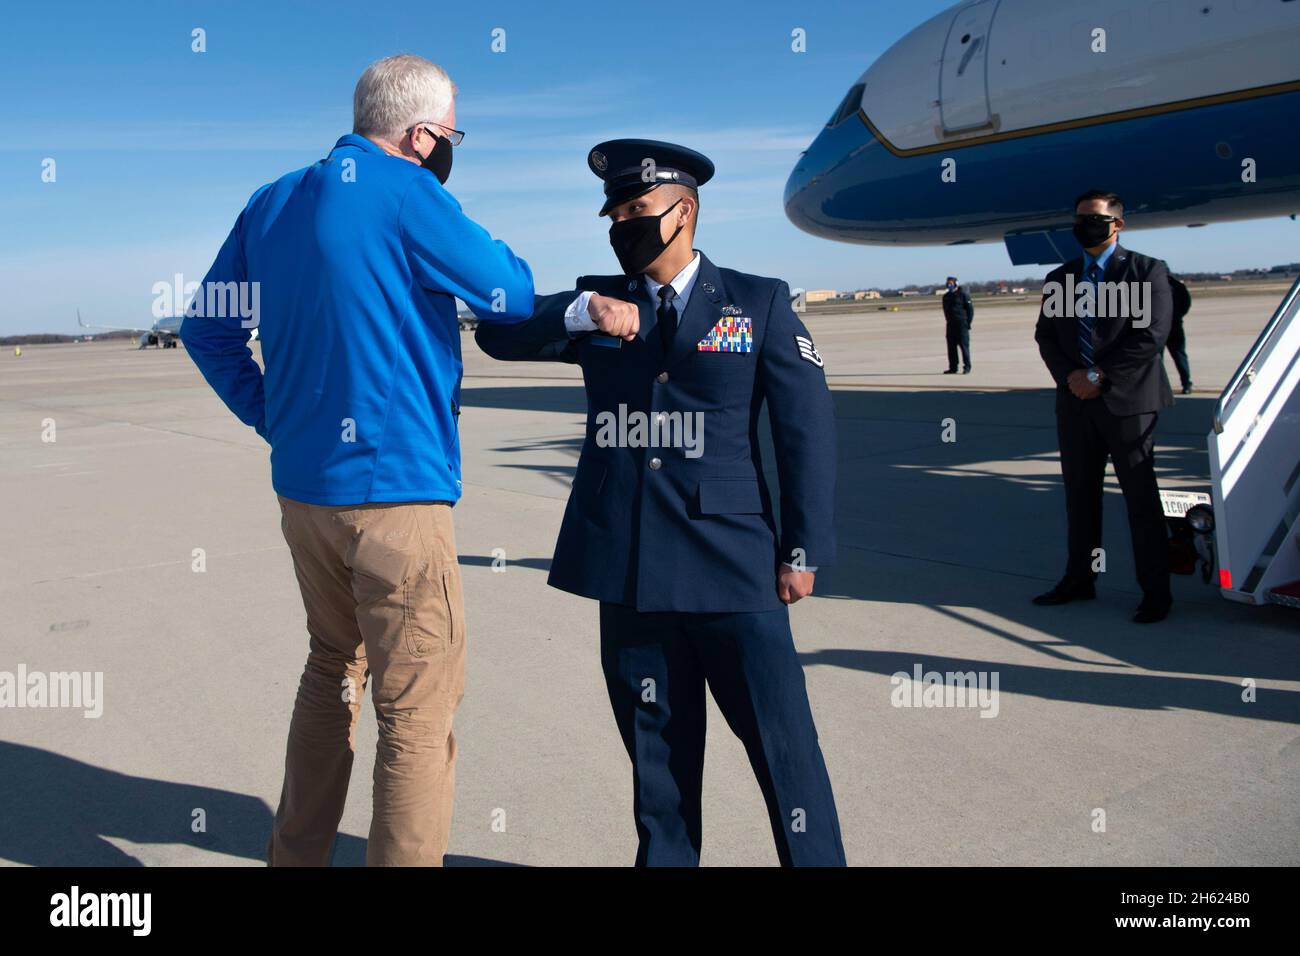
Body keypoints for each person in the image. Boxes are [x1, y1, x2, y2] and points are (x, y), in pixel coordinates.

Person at [180, 54, 535, 865]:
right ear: (421, 134)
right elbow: (509, 293)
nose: (449, 148)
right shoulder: (407, 190)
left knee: (331, 671)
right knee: (416, 711)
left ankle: (296, 856)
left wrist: (277, 417)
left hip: (306, 494)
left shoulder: (271, 202)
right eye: (450, 136)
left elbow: (207, 330)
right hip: (397, 498)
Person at [476, 139, 846, 866]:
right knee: (659, 767)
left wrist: (803, 550)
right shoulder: (597, 303)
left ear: (685, 212)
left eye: (636, 209)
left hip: (735, 570)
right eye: (613, 213)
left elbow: (807, 432)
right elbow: (496, 332)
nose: (621, 223)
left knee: (784, 752)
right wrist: (581, 312)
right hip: (633, 574)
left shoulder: (757, 300)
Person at [1032, 189, 1174, 624]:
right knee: (1080, 497)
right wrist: (1073, 379)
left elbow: (1151, 334)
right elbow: (1046, 337)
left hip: (1128, 401)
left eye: (1093, 218)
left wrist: (1099, 375)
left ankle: (1155, 592)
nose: (1084, 225)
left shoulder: (1147, 271)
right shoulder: (1061, 278)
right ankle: (1080, 579)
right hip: (1076, 404)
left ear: (1118, 224)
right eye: (1079, 218)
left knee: (1139, 500)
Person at [1166, 274, 1194, 394]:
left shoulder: (1151, 283)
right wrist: (1178, 316)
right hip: (1175, 325)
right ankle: (1186, 384)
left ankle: (1160, 386)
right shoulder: (1177, 285)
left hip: (1159, 328)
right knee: (1179, 355)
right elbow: (1186, 303)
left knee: (1157, 359)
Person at [942, 275, 973, 373]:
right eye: (948, 283)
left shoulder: (963, 295)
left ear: (956, 284)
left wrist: (967, 323)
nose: (949, 285)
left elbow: (970, 310)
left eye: (951, 283)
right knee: (951, 347)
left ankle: (967, 367)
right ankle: (953, 367)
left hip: (961, 324)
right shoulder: (946, 297)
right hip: (950, 325)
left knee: (964, 347)